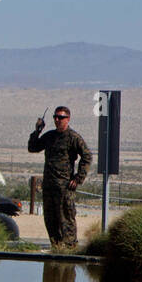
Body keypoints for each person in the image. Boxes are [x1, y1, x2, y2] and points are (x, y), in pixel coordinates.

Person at [28, 106, 92, 249]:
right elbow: (33, 147)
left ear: (68, 119)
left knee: (66, 219)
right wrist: (37, 131)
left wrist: (78, 178)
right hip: (49, 185)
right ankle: (56, 248)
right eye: (55, 117)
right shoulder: (50, 136)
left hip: (64, 187)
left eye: (61, 117)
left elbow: (87, 156)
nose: (57, 120)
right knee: (50, 220)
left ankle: (70, 249)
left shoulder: (73, 137)